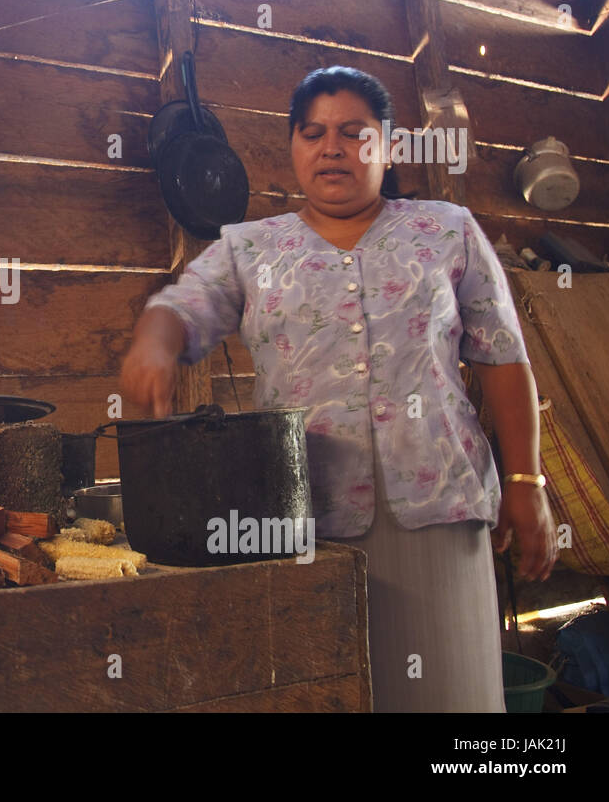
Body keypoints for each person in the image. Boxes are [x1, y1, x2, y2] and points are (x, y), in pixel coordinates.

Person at [120, 66, 558, 712]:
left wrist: (527, 485)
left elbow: (502, 358)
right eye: (313, 133)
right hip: (303, 521)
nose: (332, 148)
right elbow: (181, 308)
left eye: (354, 133)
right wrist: (153, 346)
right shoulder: (251, 249)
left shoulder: (446, 231)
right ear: (294, 147)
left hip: (438, 517)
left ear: (387, 146)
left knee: (451, 697)